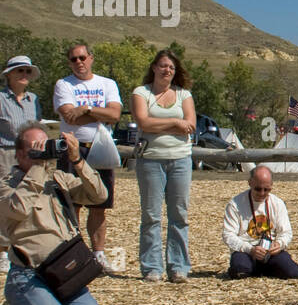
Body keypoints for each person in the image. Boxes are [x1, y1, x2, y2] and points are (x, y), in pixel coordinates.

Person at [0, 124, 106, 305]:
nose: (42, 151)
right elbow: (18, 209)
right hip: (28, 274)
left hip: (63, 271)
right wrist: (37, 166)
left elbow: (98, 196)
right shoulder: (5, 186)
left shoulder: (58, 180)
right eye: (34, 147)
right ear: (19, 154)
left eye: (45, 145)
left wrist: (77, 160)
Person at [54, 42, 122, 274]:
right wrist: (96, 112)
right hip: (72, 147)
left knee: (99, 204)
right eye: (73, 59)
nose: (79, 62)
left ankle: (98, 255)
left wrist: (84, 109)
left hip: (100, 148)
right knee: (71, 205)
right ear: (68, 62)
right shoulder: (63, 84)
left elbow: (114, 114)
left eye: (82, 57)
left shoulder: (107, 84)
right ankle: (73, 254)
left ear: (91, 58)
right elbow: (69, 117)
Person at [131, 49, 195, 282]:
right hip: (150, 159)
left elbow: (190, 124)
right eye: (163, 66)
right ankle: (152, 267)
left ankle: (178, 266)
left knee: (179, 214)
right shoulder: (141, 92)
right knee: (151, 215)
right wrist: (175, 123)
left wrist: (159, 124)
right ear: (154, 68)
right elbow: (143, 122)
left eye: (171, 67)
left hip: (180, 159)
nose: (166, 70)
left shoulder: (183, 94)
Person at [0, 56, 43, 272]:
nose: (24, 75)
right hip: (5, 153)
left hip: (31, 156)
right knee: (5, 202)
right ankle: (3, 251)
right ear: (9, 74)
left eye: (27, 72)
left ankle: (25, 248)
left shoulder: (34, 99)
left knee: (30, 199)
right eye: (19, 71)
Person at [222, 166, 298, 279]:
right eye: (258, 189)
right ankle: (251, 268)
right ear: (250, 183)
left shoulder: (277, 203)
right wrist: (250, 249)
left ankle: (266, 269)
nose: (262, 193)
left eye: (267, 189)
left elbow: (286, 232)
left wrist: (279, 244)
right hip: (246, 252)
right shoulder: (235, 204)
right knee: (239, 270)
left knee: (293, 273)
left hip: (270, 253)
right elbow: (228, 235)